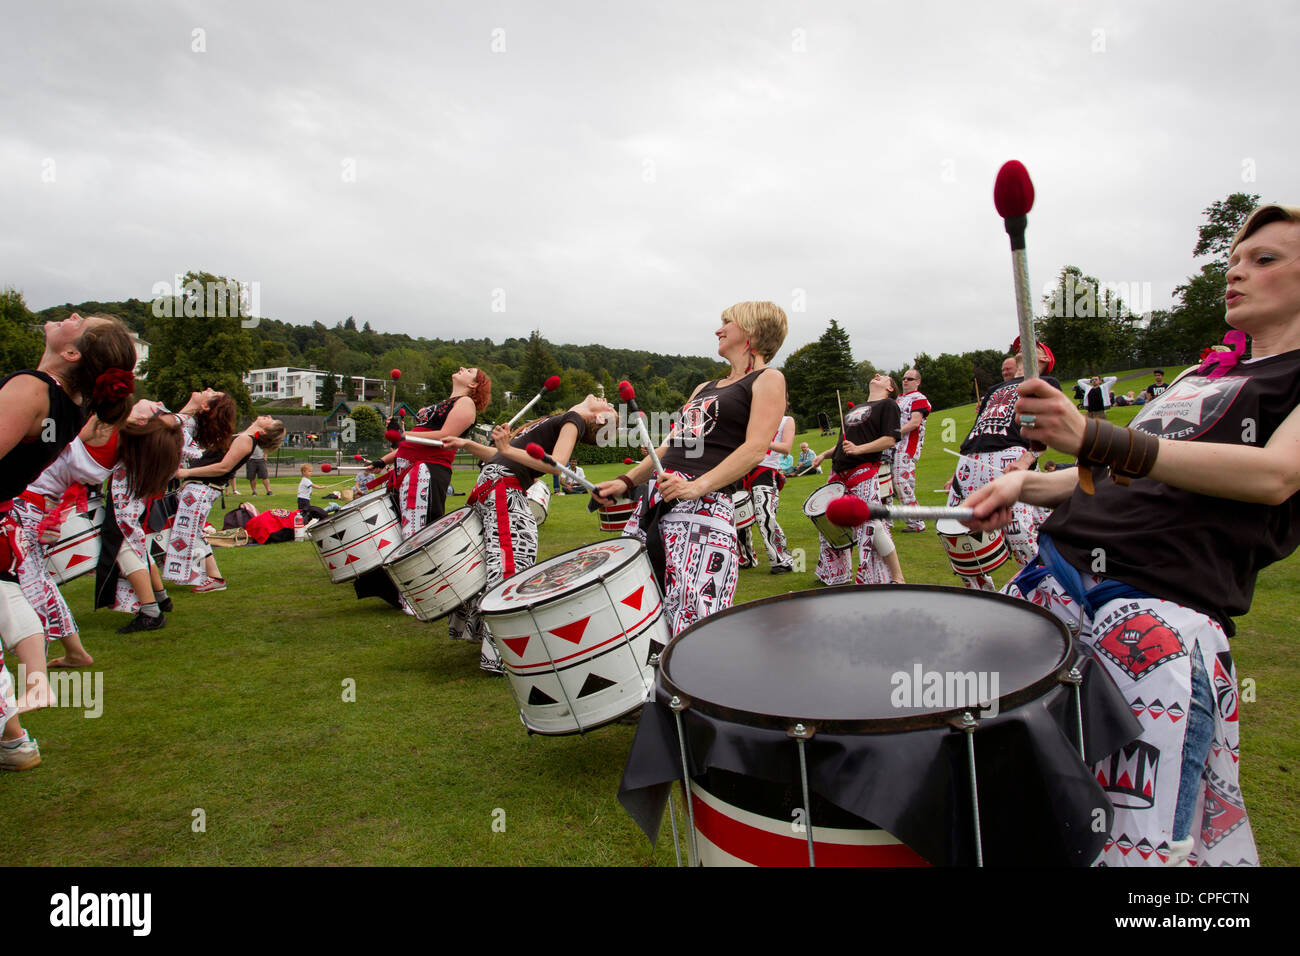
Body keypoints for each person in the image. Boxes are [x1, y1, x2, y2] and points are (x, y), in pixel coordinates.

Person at [963, 203, 1300, 867]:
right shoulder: (1199, 377)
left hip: (1153, 618)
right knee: (1014, 807)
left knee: (1131, 849)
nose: (1236, 274)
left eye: (1265, 260)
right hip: (1052, 582)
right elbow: (1116, 469)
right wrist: (1024, 486)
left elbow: (1275, 475)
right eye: (1232, 261)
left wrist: (1095, 435)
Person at [593, 302, 788, 637]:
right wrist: (625, 481)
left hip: (704, 506)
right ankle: (649, 688)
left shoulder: (769, 378)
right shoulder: (704, 388)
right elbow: (669, 446)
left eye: (728, 322)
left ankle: (690, 688)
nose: (719, 328)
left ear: (752, 331)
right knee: (635, 601)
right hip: (659, 497)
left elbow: (755, 448)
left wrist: (698, 486)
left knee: (691, 610)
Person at [0, 313, 136, 768]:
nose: (71, 315)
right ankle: (14, 738)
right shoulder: (69, 407)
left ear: (72, 352)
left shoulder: (33, 388)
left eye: (81, 321)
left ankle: (16, 736)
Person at [444, 394, 615, 673]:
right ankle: (498, 649)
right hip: (501, 484)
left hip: (503, 486)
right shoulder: (562, 419)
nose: (605, 399)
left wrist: (506, 448)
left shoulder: (574, 420)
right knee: (508, 564)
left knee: (509, 565)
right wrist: (469, 444)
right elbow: (503, 455)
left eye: (608, 406)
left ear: (599, 418)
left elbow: (555, 463)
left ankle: (499, 652)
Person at [92, 407, 185, 634]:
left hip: (124, 503)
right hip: (133, 501)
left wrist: (128, 417)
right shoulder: (158, 445)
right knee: (138, 547)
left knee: (125, 550)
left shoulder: (140, 439)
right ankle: (160, 598)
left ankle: (150, 611)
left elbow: (108, 425)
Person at [170, 415, 286, 592]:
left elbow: (223, 467)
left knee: (193, 532)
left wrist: (186, 472)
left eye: (271, 421)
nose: (268, 416)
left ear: (263, 431)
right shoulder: (244, 438)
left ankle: (214, 577)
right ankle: (204, 575)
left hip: (203, 488)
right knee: (192, 531)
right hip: (201, 487)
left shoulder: (246, 440)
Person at [372, 367, 490, 537]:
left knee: (416, 536)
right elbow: (417, 441)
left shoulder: (465, 403)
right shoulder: (448, 402)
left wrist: (402, 434)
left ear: (473, 384)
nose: (462, 368)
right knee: (398, 535)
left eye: (469, 371)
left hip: (425, 473)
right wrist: (383, 461)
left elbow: (445, 437)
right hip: (408, 472)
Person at [810, 374, 903, 586]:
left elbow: (889, 440)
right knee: (831, 523)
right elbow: (843, 443)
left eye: (883, 377)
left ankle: (896, 576)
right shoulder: (855, 409)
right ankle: (836, 575)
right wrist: (824, 454)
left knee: (871, 525)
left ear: (890, 388)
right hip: (838, 472)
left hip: (862, 471)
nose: (877, 375)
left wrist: (859, 449)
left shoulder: (888, 405)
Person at [738, 410, 795, 573]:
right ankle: (745, 558)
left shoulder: (786, 420)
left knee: (765, 516)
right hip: (743, 469)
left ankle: (781, 560)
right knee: (740, 515)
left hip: (766, 471)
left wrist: (761, 442)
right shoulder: (753, 418)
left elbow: (786, 448)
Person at [893, 368, 932, 532]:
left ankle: (916, 522)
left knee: (901, 482)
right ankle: (887, 521)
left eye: (910, 378)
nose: (905, 381)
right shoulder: (898, 399)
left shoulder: (919, 398)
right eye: (904, 378)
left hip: (906, 447)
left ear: (918, 382)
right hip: (891, 447)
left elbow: (915, 422)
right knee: (894, 484)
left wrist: (894, 432)